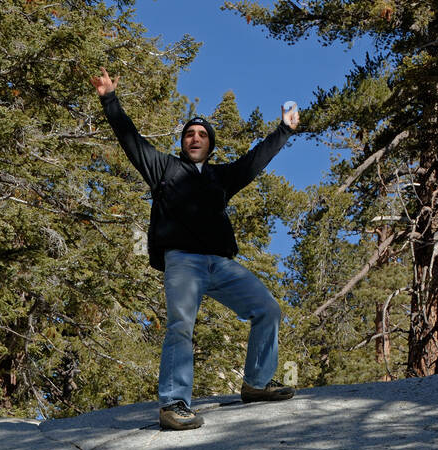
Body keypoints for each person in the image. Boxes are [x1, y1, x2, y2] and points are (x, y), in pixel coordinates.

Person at [91, 67, 300, 430]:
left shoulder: (221, 177)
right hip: (183, 262)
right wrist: (110, 99)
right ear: (183, 142)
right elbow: (129, 139)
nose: (195, 138)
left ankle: (256, 382)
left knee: (267, 308)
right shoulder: (162, 168)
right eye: (189, 134)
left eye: (202, 134)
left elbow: (254, 161)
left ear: (210, 143)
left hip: (220, 264)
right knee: (181, 325)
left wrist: (284, 130)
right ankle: (174, 402)